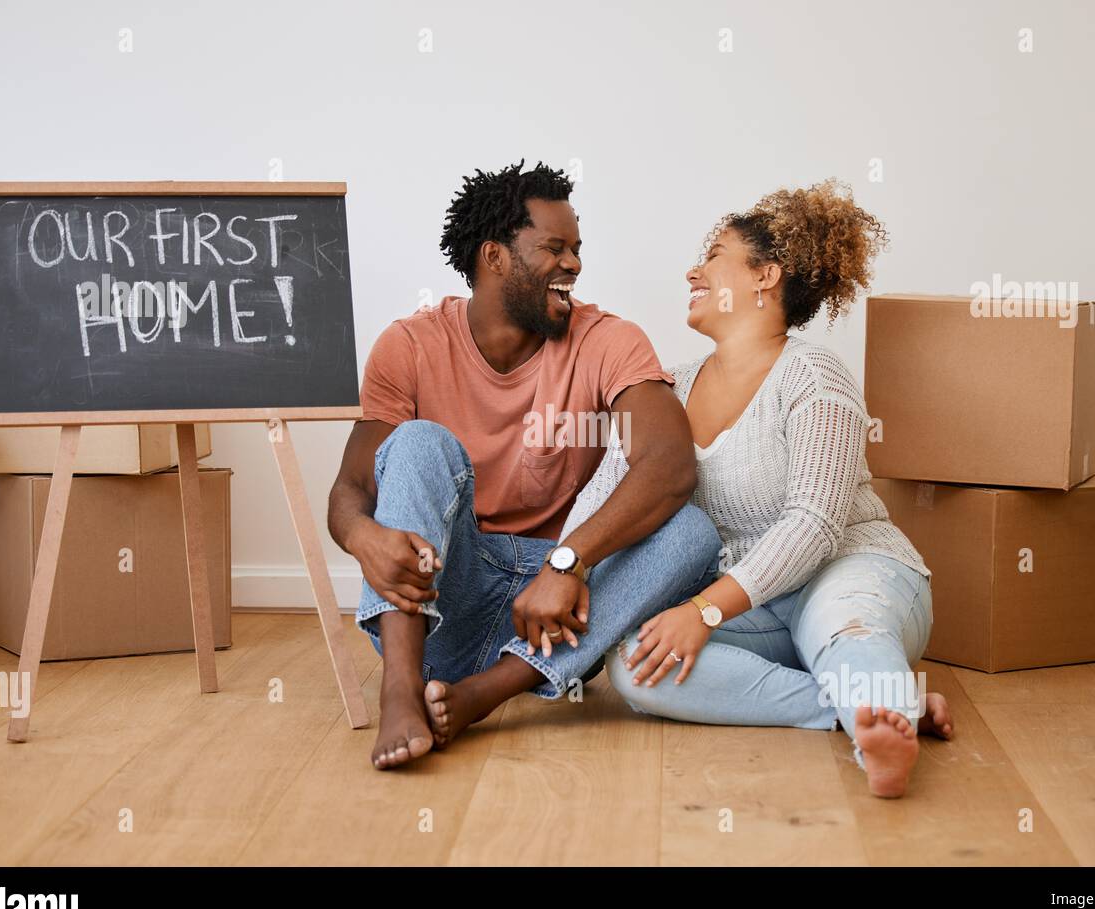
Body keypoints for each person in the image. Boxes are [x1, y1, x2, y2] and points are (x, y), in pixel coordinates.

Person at [565, 180, 953, 797]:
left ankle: (881, 723)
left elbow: (814, 526)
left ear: (764, 276)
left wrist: (703, 609)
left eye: (714, 254)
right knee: (637, 662)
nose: (693, 270)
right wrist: (567, 567)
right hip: (756, 607)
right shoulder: (667, 386)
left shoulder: (815, 375)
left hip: (850, 569)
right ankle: (847, 710)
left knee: (846, 631)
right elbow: (609, 492)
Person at [328, 161, 720, 770]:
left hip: (561, 609)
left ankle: (481, 697)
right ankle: (400, 689)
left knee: (692, 531)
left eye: (577, 250)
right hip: (446, 595)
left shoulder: (607, 340)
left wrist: (569, 560)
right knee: (419, 442)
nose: (574, 265)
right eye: (554, 249)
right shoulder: (409, 346)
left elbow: (670, 466)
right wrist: (363, 536)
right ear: (495, 257)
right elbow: (351, 488)